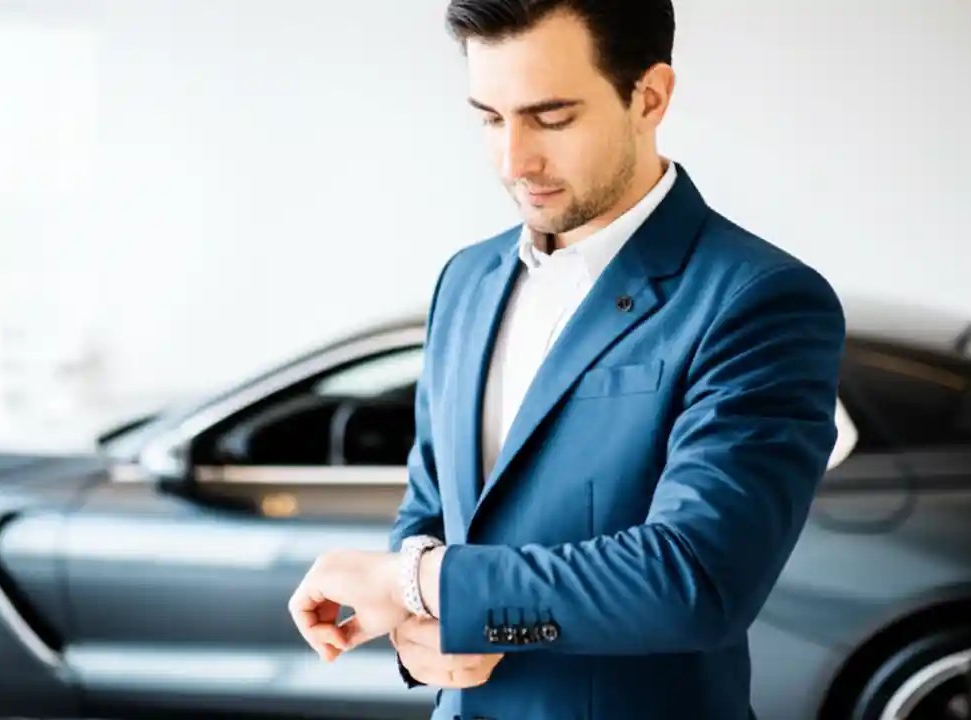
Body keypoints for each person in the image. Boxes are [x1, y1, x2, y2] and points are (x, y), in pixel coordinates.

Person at [287, 1, 846, 717]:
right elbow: (433, 504)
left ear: (649, 97)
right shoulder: (465, 279)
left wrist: (418, 582)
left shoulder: (757, 298)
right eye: (490, 118)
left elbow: (696, 582)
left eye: (550, 118)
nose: (513, 161)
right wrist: (420, 629)